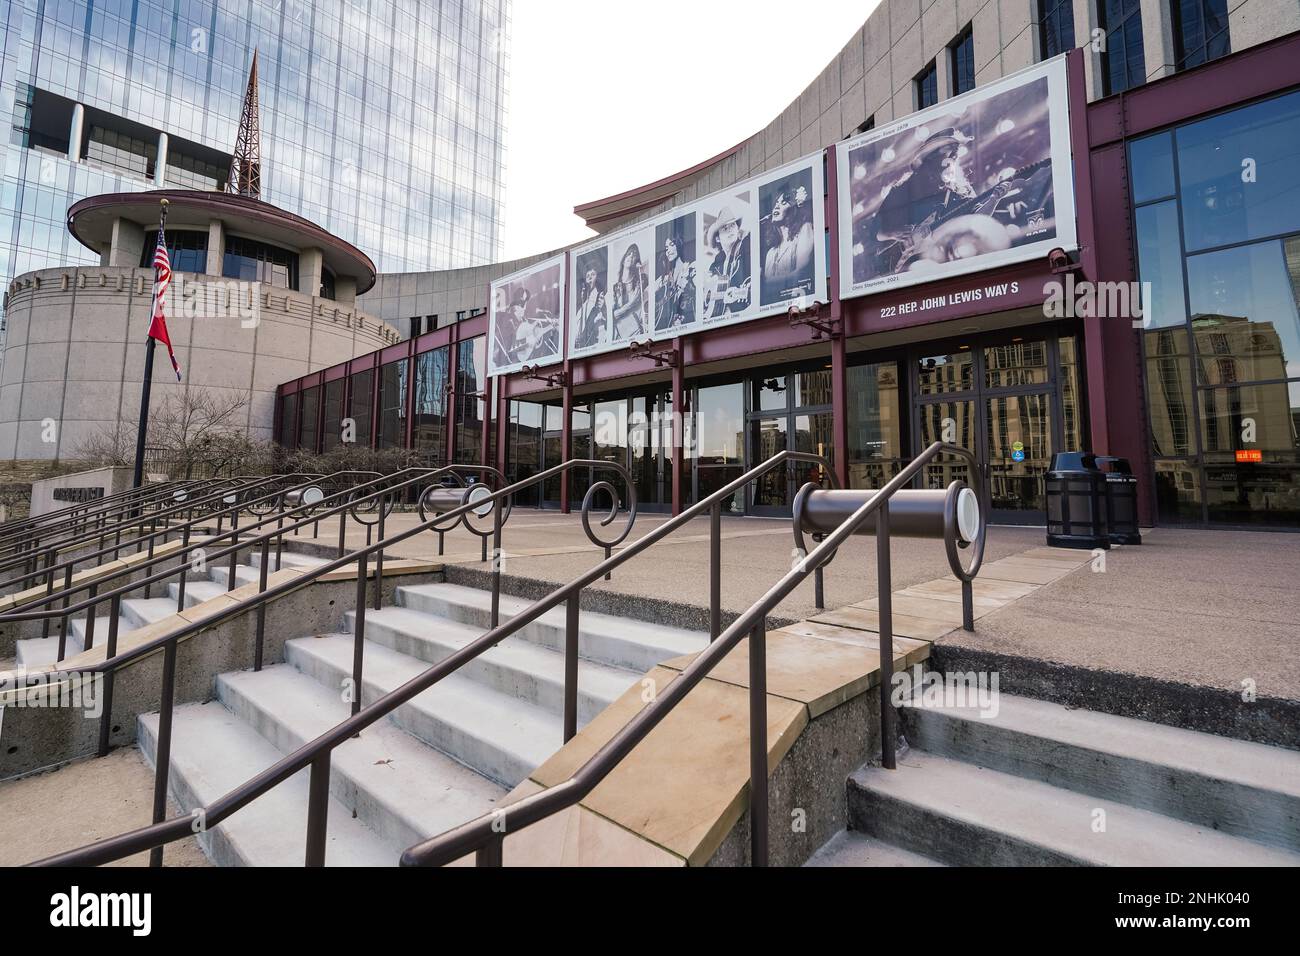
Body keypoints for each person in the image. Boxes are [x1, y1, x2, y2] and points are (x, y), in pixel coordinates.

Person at [762, 186, 815, 298]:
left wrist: (764, 282)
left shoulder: (805, 229)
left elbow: (801, 274)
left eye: (783, 203)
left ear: (793, 209)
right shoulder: (771, 252)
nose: (776, 206)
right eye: (776, 203)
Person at [702, 205, 750, 319]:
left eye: (733, 225)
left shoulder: (746, 247)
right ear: (717, 238)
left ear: (737, 229)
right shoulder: (715, 265)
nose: (730, 230)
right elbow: (708, 296)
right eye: (724, 228)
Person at [654, 233, 696, 331]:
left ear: (679, 245)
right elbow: (649, 291)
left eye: (672, 245)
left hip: (689, 324)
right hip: (670, 326)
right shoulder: (667, 276)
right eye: (666, 247)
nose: (668, 250)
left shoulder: (690, 267)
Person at [610, 243, 648, 341]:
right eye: (629, 254)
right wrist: (631, 304)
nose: (631, 256)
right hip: (619, 337)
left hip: (637, 334)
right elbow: (612, 316)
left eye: (634, 255)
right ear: (623, 260)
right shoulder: (615, 287)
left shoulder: (639, 281)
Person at [573, 264, 607, 350]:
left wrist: (603, 309)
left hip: (597, 342)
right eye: (587, 275)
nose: (590, 278)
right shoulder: (583, 302)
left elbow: (604, 318)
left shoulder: (601, 295)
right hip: (583, 344)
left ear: (597, 277)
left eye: (593, 274)